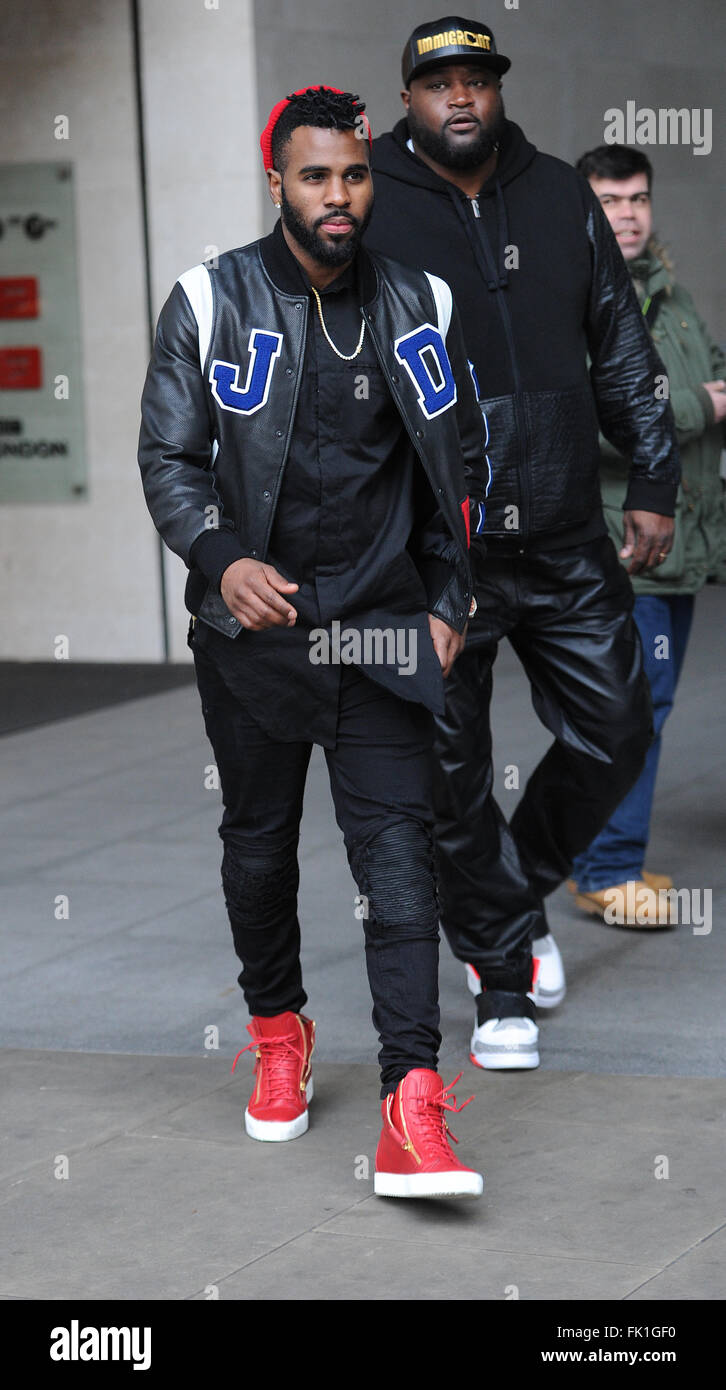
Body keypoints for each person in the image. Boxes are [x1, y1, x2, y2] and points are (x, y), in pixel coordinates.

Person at [138, 86, 489, 1199]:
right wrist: (217, 555)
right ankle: (279, 1029)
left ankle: (411, 1102)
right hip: (258, 631)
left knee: (400, 868)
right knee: (260, 844)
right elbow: (169, 457)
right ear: (276, 179)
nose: (339, 197)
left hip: (385, 632)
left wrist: (446, 605)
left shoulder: (421, 297)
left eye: (354, 174)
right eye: (315, 176)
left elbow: (460, 466)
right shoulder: (210, 297)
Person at [364, 17, 680, 1069]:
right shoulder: (370, 203)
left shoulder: (559, 198)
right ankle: (502, 974)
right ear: (408, 98)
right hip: (433, 549)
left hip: (561, 535)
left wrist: (653, 478)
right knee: (449, 771)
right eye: (439, 82)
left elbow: (623, 349)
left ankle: (507, 891)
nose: (461, 98)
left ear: (498, 92)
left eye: (477, 81)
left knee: (618, 729)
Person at [567, 144, 726, 924]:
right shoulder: (576, 292)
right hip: (624, 544)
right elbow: (589, 419)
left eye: (636, 199)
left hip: (680, 541)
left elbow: (707, 371)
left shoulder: (668, 290)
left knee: (647, 704)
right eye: (608, 200)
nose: (626, 214)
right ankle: (606, 868)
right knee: (630, 706)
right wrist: (703, 405)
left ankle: (606, 859)